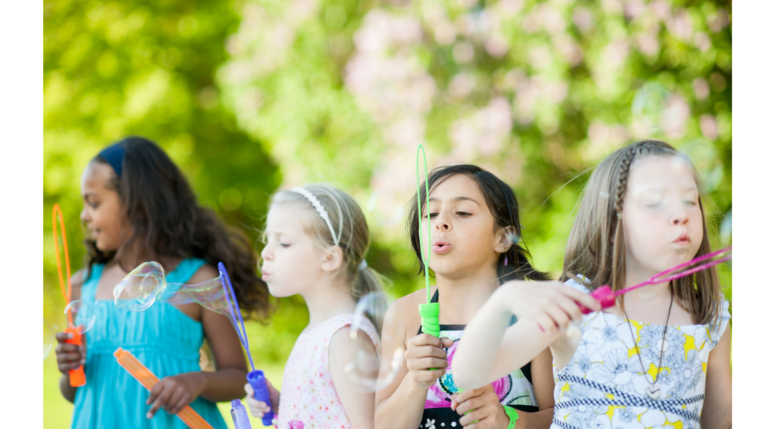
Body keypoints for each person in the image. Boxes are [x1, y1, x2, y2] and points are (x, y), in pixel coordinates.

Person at [453, 140, 732, 429]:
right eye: (655, 202)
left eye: (690, 200)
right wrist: (503, 302)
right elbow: (469, 374)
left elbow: (721, 418)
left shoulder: (708, 314)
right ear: (611, 223)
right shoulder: (574, 306)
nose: (681, 214)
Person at [54, 136, 271, 428]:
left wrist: (197, 381)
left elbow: (236, 377)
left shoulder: (198, 278)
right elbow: (74, 393)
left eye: (93, 202)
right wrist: (71, 369)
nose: (84, 216)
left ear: (137, 203)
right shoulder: (83, 285)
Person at [375, 165, 556, 429]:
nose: (440, 222)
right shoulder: (404, 315)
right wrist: (414, 381)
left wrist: (509, 420)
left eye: (462, 212)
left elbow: (564, 416)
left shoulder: (530, 312)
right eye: (430, 214)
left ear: (504, 237)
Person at [244, 183, 385, 429]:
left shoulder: (345, 338)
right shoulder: (318, 332)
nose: (266, 252)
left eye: (284, 243)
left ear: (329, 258)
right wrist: (281, 403)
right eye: (267, 240)